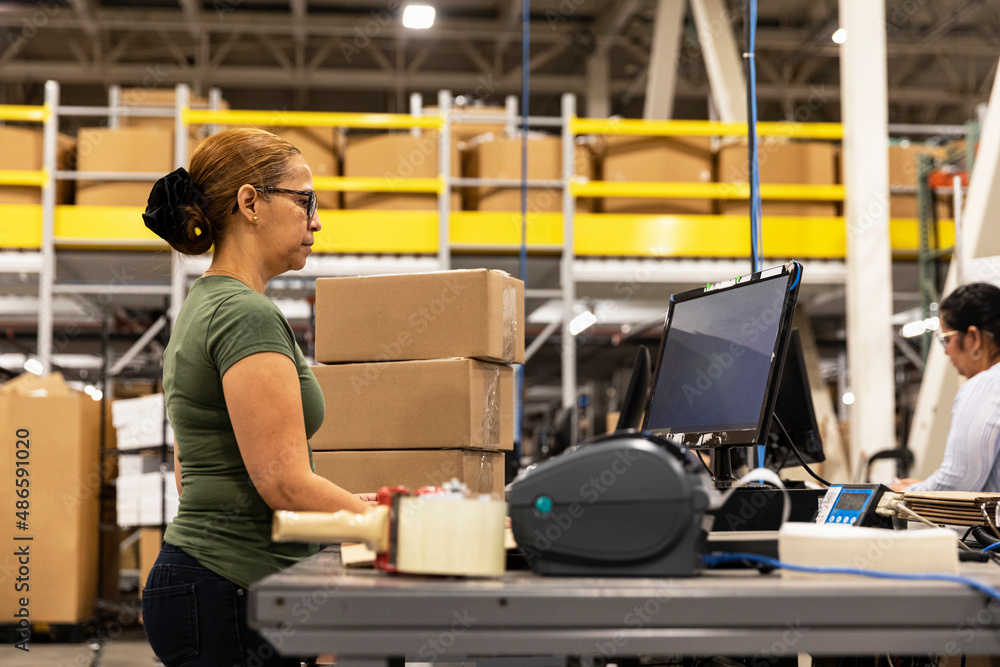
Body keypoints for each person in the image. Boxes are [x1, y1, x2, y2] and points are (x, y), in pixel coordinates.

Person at [140, 127, 371, 667]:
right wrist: (397, 525)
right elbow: (283, 483)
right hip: (227, 592)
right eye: (305, 200)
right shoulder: (245, 314)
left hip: (207, 584)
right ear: (250, 203)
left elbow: (192, 472)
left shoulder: (203, 305)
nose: (316, 221)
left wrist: (354, 510)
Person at [892, 282, 1000, 493]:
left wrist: (905, 493)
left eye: (946, 339)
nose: (946, 351)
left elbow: (959, 481)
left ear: (974, 338)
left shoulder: (986, 385)